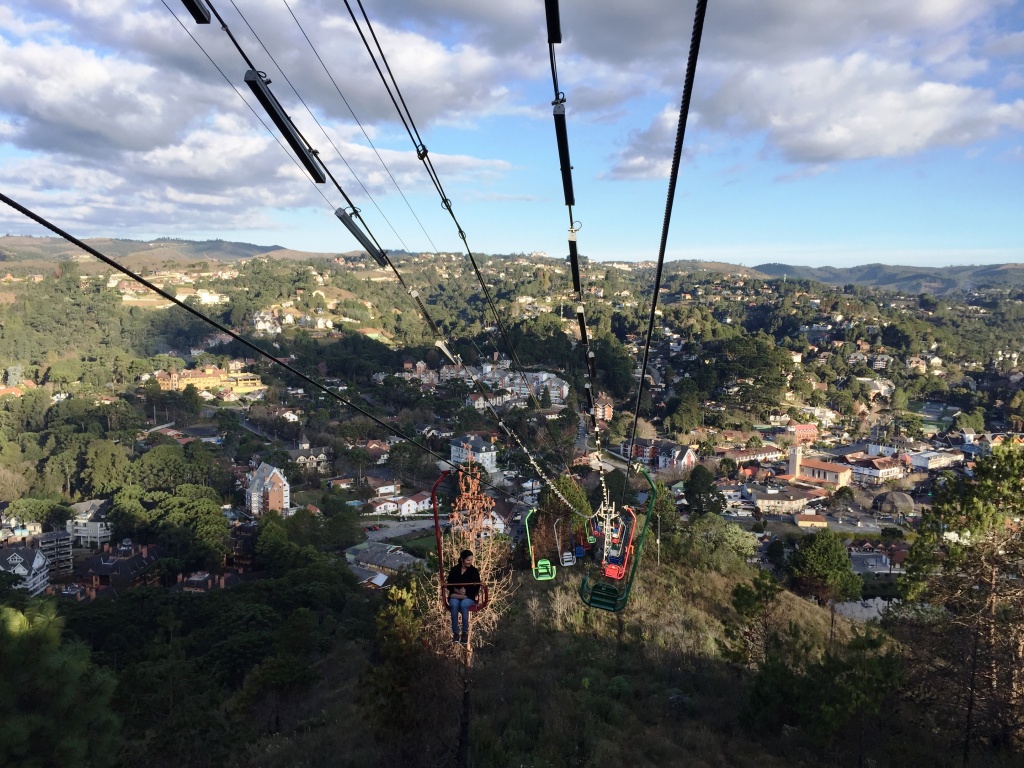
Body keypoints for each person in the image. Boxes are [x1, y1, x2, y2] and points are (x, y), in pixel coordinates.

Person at [446, 549, 480, 645]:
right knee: (454, 603)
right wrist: (458, 591)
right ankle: (456, 632)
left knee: (464, 605)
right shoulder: (454, 570)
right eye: (468, 560)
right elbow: (449, 585)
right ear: (462, 559)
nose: (470, 562)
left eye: (471, 560)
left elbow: (476, 586)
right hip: (456, 594)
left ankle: (465, 632)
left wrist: (465, 592)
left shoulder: (474, 571)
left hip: (468, 596)